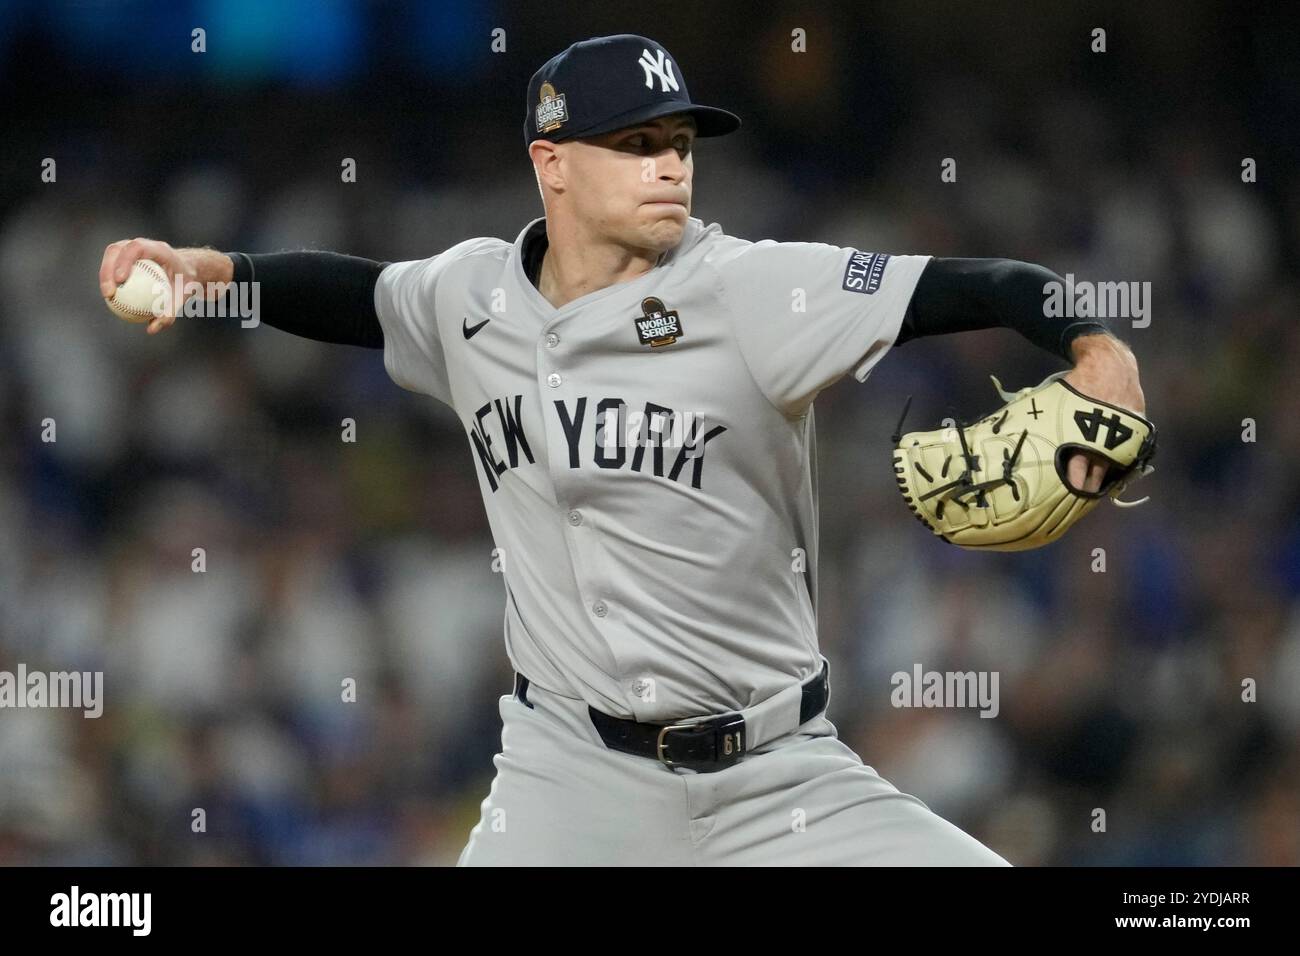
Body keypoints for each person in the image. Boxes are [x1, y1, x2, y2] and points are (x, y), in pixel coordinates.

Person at [98, 34, 1144, 865]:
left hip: (778, 774)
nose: (671, 167)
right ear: (551, 163)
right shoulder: (471, 296)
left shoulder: (752, 289)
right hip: (568, 777)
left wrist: (1093, 345)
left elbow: (973, 283)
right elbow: (354, 295)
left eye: (679, 143)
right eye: (636, 144)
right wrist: (213, 271)